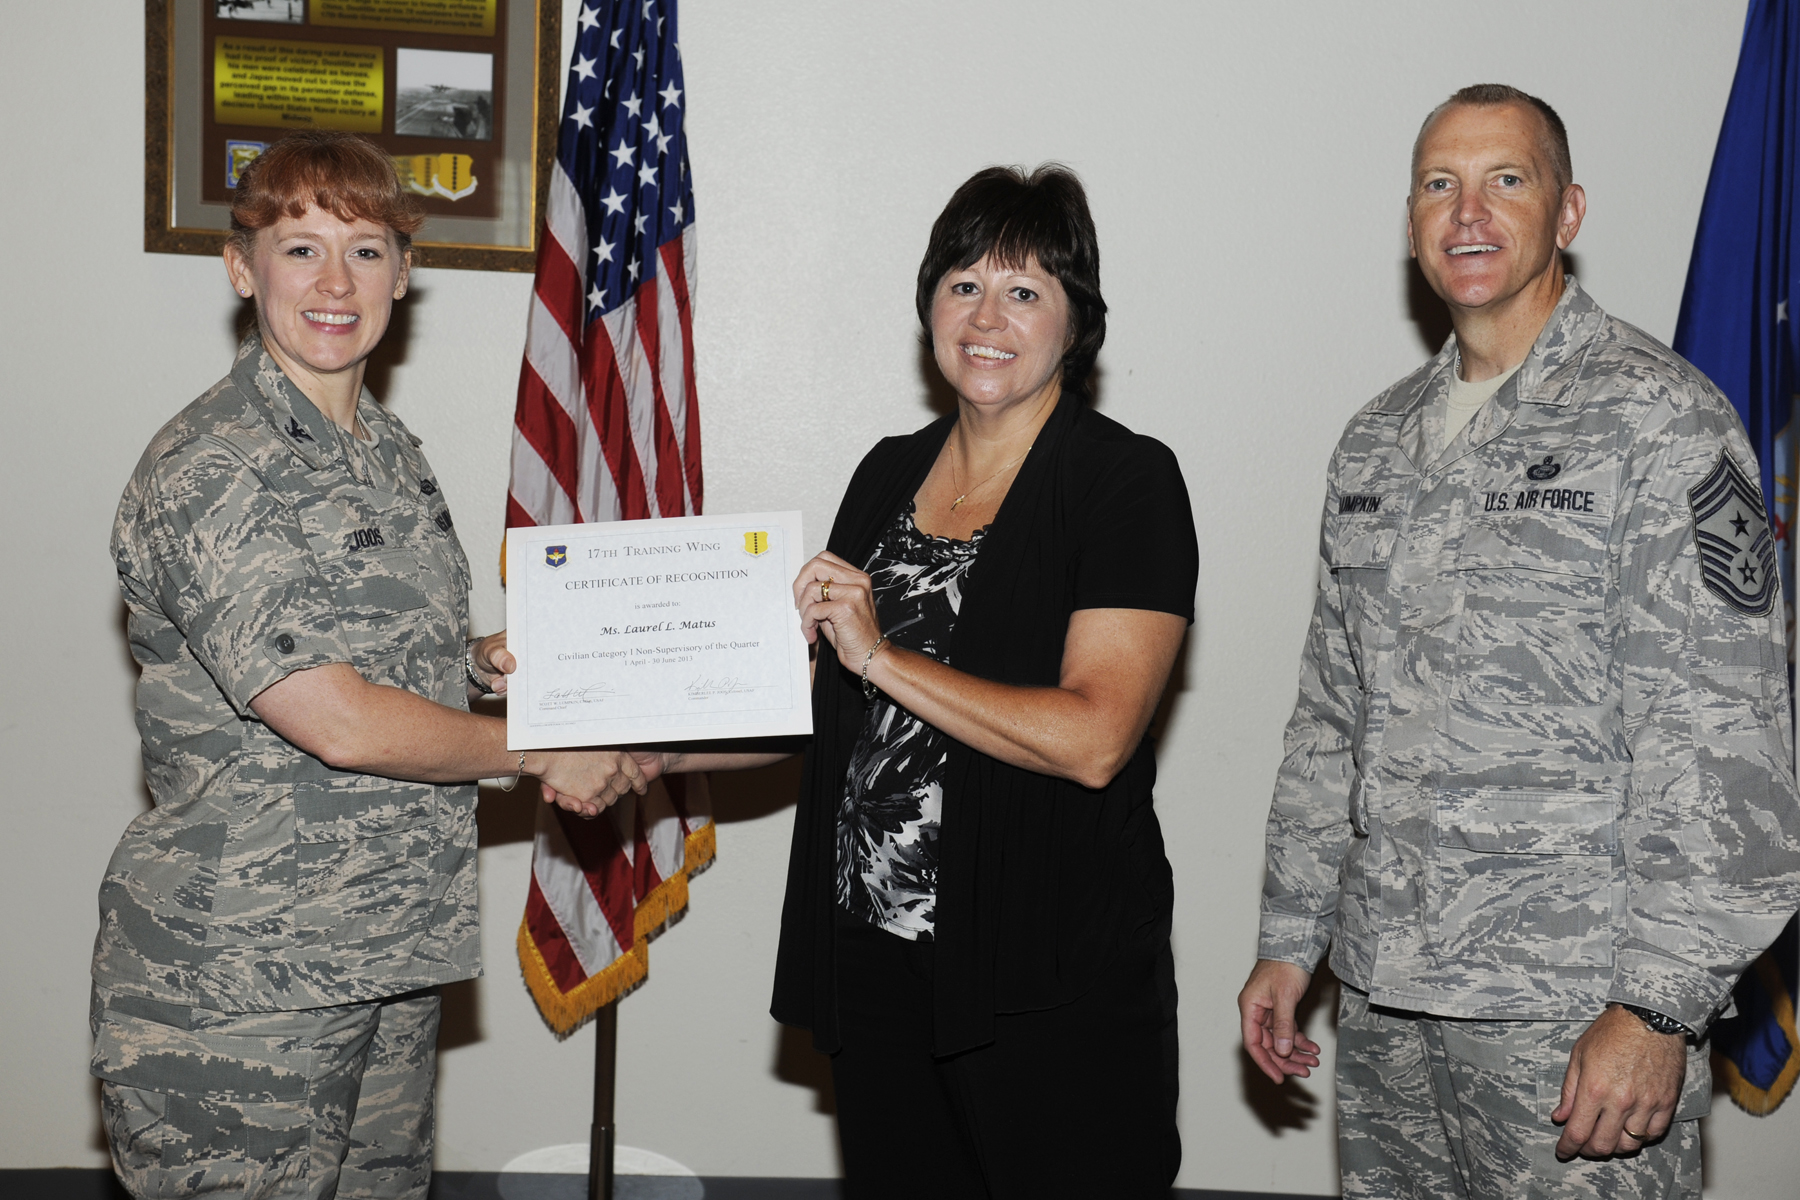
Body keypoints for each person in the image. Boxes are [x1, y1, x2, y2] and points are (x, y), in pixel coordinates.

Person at [1238, 84, 1800, 1199]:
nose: (1468, 213)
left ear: (1568, 211)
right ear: (1410, 222)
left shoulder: (1661, 420)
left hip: (1572, 1013)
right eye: (1439, 185)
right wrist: (1291, 935)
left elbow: (1722, 736)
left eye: (1507, 180)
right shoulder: (1376, 442)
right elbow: (1331, 716)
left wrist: (1656, 1005)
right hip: (1390, 997)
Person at [93, 131, 646, 1199]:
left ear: (406, 269)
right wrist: (539, 751)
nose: (335, 283)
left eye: (367, 248)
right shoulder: (214, 467)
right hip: (243, 980)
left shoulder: (387, 451)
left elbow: (379, 654)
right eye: (301, 249)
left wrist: (480, 662)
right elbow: (334, 717)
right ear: (241, 267)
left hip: (384, 950)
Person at [635, 164, 1198, 1198]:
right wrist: (646, 746)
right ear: (929, 305)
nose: (988, 317)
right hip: (879, 966)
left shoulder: (1125, 482)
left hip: (1045, 978)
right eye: (963, 284)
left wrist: (884, 656)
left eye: (1026, 292)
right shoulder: (888, 469)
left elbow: (1093, 738)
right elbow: (822, 715)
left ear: (1077, 323)